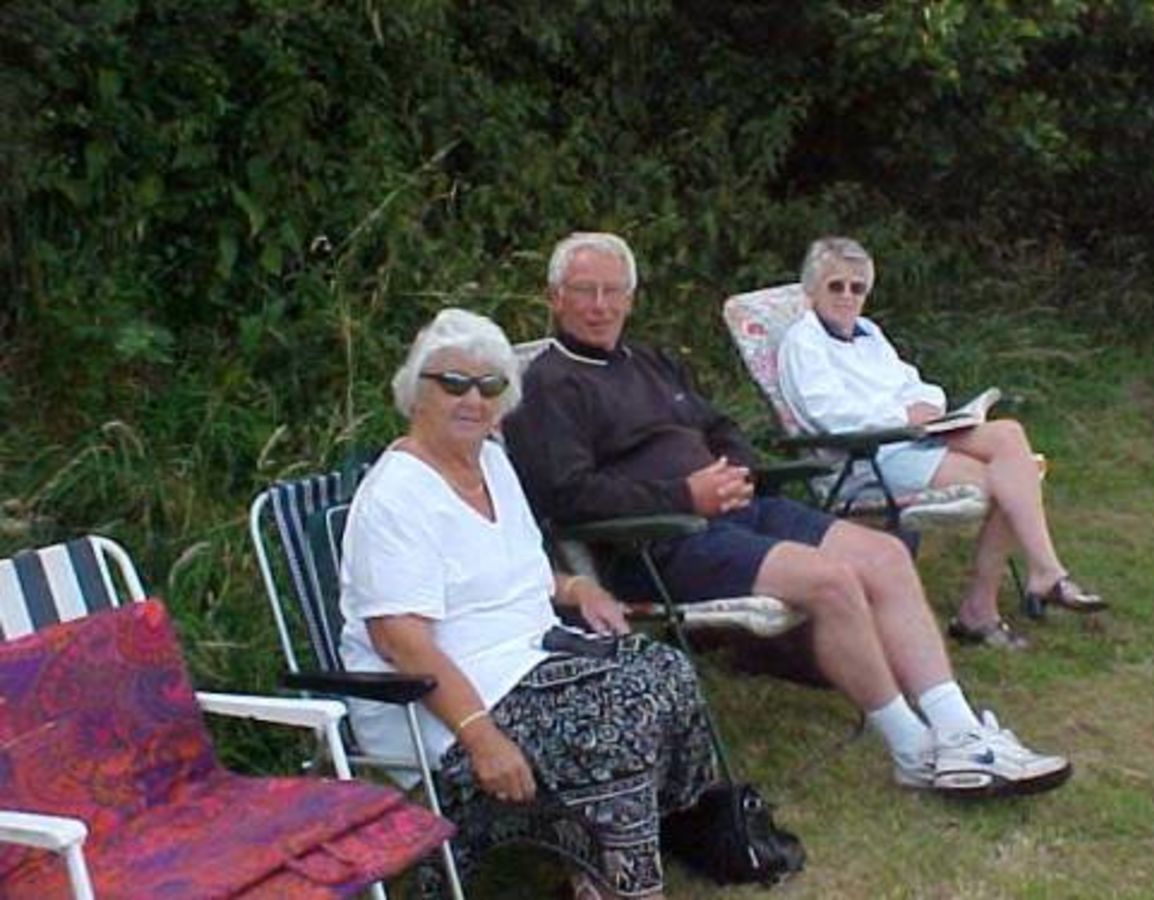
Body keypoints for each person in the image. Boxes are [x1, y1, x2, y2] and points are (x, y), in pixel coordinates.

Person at [503, 231, 1073, 798]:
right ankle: (913, 751)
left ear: (630, 297)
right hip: (655, 543)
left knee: (887, 555)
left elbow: (720, 426)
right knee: (831, 581)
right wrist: (683, 495)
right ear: (555, 297)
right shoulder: (546, 386)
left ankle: (959, 729)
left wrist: (735, 472)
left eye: (613, 290)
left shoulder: (650, 362)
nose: (600, 305)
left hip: (733, 508)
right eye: (584, 290)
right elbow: (566, 496)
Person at [338, 308, 717, 900]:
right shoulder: (395, 498)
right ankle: (619, 881)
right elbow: (398, 640)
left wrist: (577, 588)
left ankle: (601, 855)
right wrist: (481, 737)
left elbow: (522, 570)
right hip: (439, 707)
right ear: (417, 393)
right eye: (453, 383)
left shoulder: (491, 460)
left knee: (666, 671)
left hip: (526, 660)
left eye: (489, 385)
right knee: (616, 715)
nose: (473, 399)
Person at [776, 236, 1105, 649]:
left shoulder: (869, 334)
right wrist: (902, 417)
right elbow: (827, 414)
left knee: (1009, 436)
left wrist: (928, 408)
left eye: (857, 288)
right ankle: (986, 609)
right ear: (812, 290)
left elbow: (915, 383)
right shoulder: (803, 343)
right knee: (1013, 482)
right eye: (835, 286)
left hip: (911, 438)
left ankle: (1042, 574)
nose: (846, 296)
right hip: (865, 458)